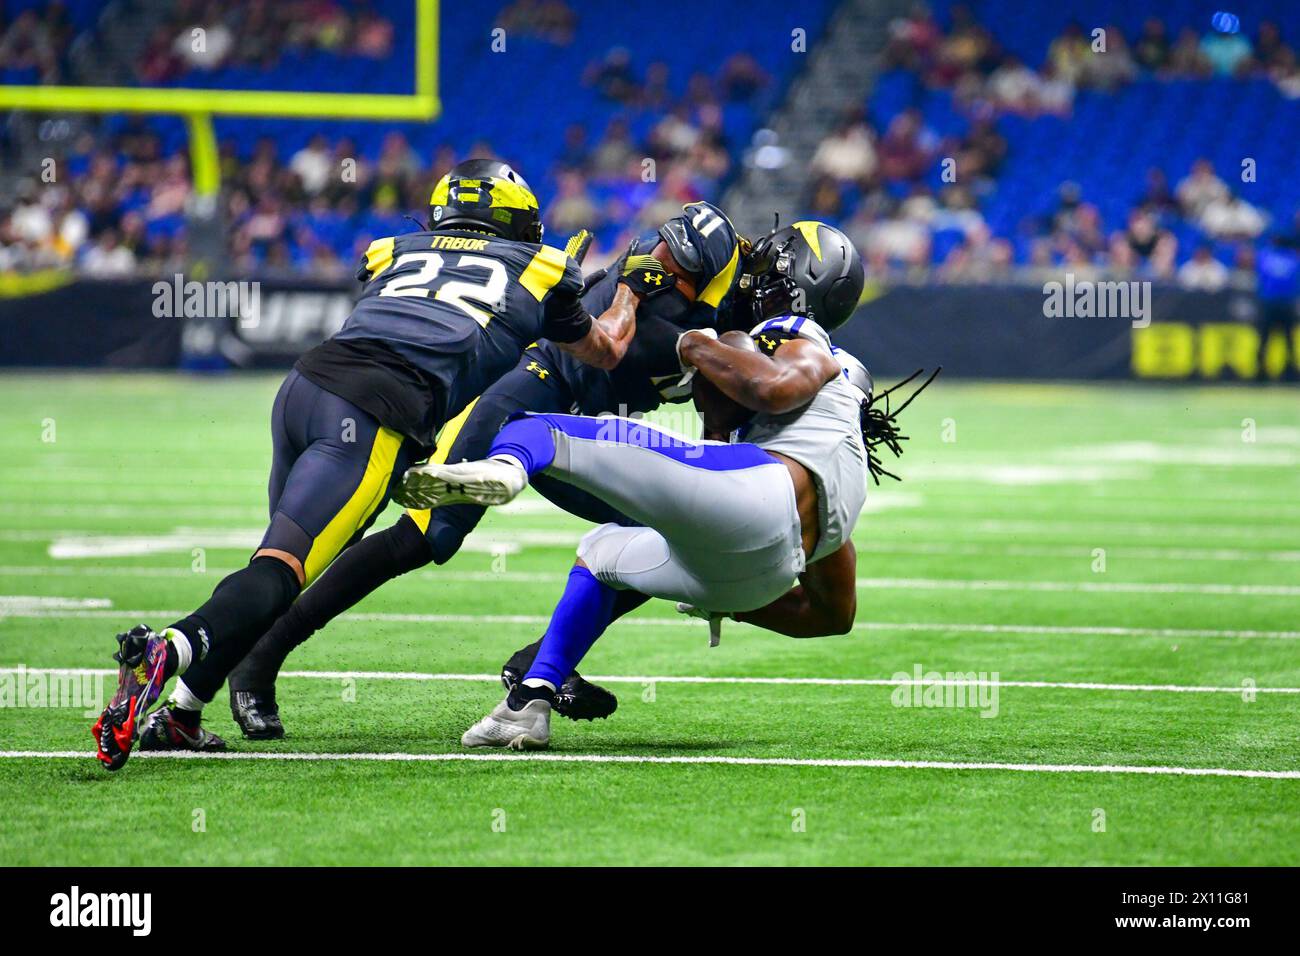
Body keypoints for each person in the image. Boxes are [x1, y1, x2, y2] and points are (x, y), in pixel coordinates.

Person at [92, 159, 673, 770]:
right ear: (515, 222)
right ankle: (170, 647)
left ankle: (183, 713)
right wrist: (625, 291)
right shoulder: (544, 267)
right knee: (281, 575)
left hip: (303, 390)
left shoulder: (389, 250)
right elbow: (604, 350)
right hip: (373, 413)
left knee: (274, 567)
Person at [227, 201, 751, 739]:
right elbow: (659, 346)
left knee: (668, 528)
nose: (660, 263)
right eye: (662, 247)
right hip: (522, 393)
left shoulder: (708, 312)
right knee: (425, 536)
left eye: (678, 267)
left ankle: (540, 664)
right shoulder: (649, 296)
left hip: (582, 431)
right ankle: (259, 656)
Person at [392, 225, 928, 749]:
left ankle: (508, 468)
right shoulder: (838, 489)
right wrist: (734, 601)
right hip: (756, 573)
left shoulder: (799, 342)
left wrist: (696, 342)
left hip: (750, 496)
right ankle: (528, 702)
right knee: (601, 552)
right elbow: (833, 618)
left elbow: (770, 385)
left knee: (536, 429)